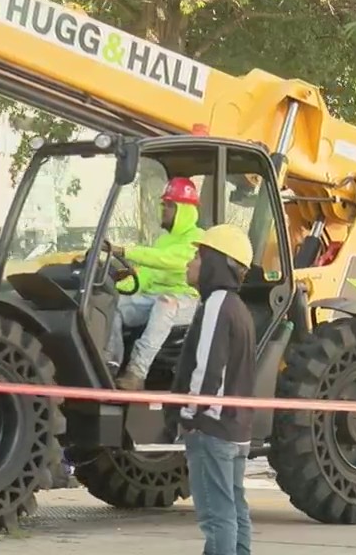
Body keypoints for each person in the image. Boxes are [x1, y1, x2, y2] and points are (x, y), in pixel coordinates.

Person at [168, 223, 256, 555]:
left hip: (212, 428)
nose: (190, 263)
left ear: (216, 262)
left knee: (216, 517)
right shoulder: (239, 308)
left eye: (198, 256)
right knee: (234, 509)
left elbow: (207, 368)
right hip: (235, 429)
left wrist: (189, 415)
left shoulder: (217, 304)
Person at [104, 176, 205, 390]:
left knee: (165, 303)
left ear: (185, 211)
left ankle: (136, 373)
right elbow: (148, 274)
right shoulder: (162, 241)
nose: (163, 209)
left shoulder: (199, 239)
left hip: (186, 301)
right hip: (154, 297)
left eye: (170, 205)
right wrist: (113, 288)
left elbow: (168, 260)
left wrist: (125, 251)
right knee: (112, 304)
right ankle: (109, 364)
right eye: (163, 204)